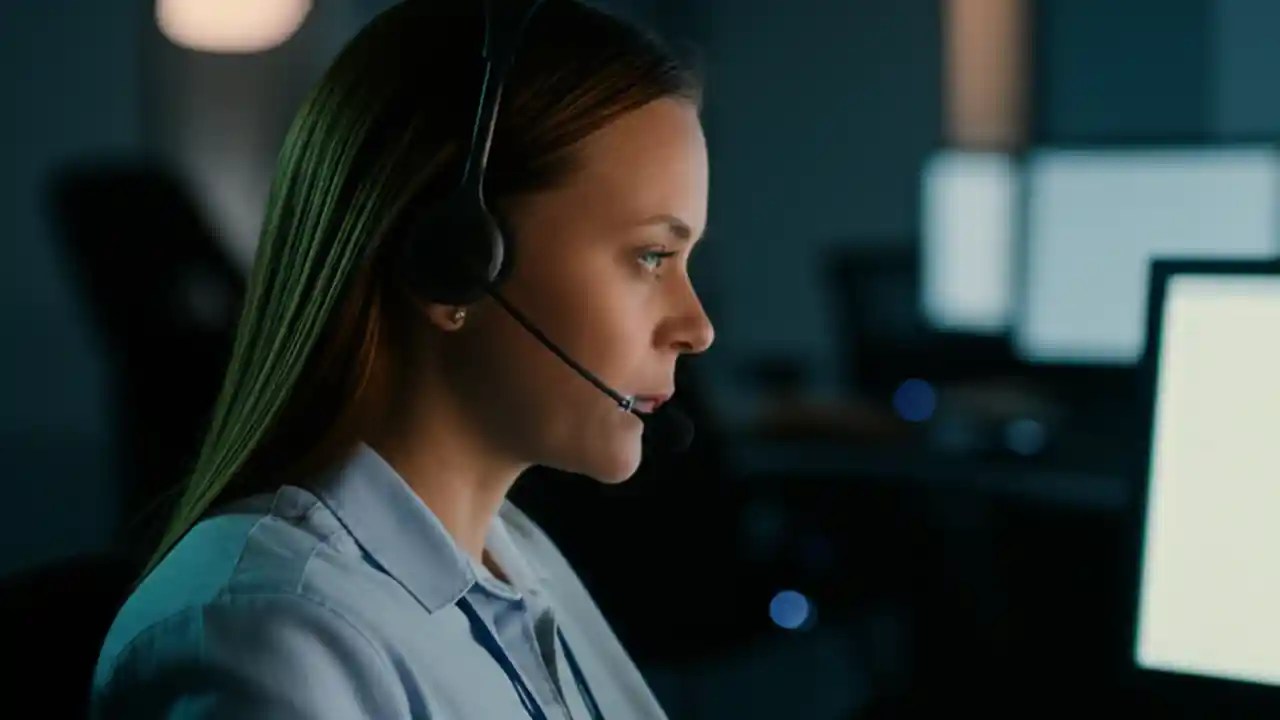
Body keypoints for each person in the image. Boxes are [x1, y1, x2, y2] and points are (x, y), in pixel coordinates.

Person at [89, 0, 714, 717]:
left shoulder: (516, 556)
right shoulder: (272, 637)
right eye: (651, 256)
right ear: (453, 263)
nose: (696, 328)